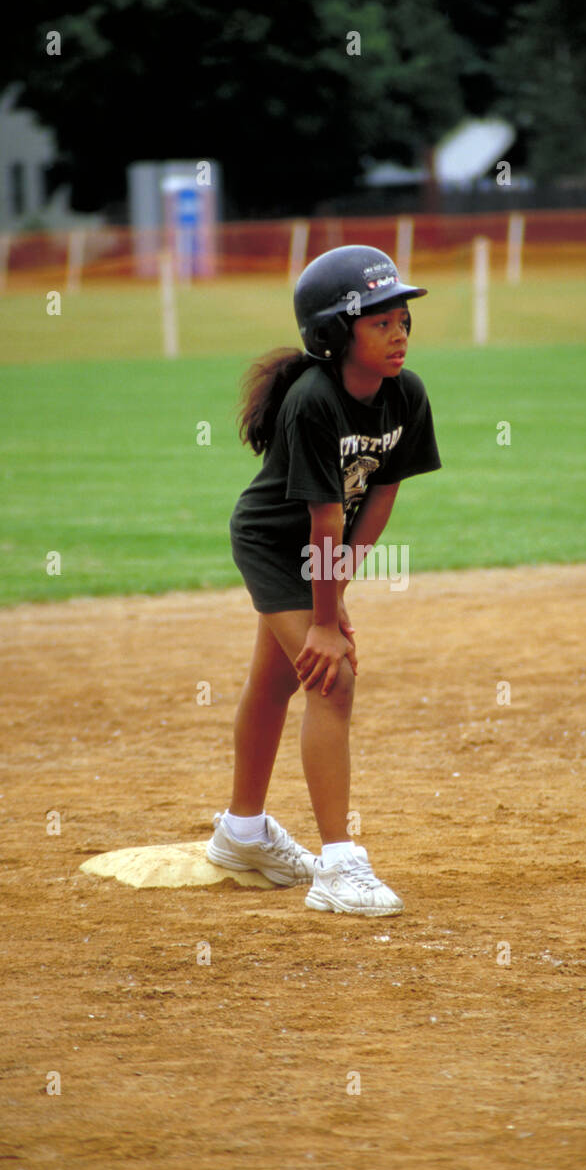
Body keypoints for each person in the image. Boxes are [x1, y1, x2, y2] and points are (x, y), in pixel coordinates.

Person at [206, 245, 441, 915]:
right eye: (379, 323)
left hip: (323, 549)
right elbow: (322, 518)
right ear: (336, 333)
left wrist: (333, 600)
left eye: (402, 322)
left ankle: (241, 833)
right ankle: (338, 865)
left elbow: (383, 496)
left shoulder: (406, 393)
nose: (397, 336)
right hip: (275, 542)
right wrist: (322, 620)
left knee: (276, 680)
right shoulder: (314, 400)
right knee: (330, 679)